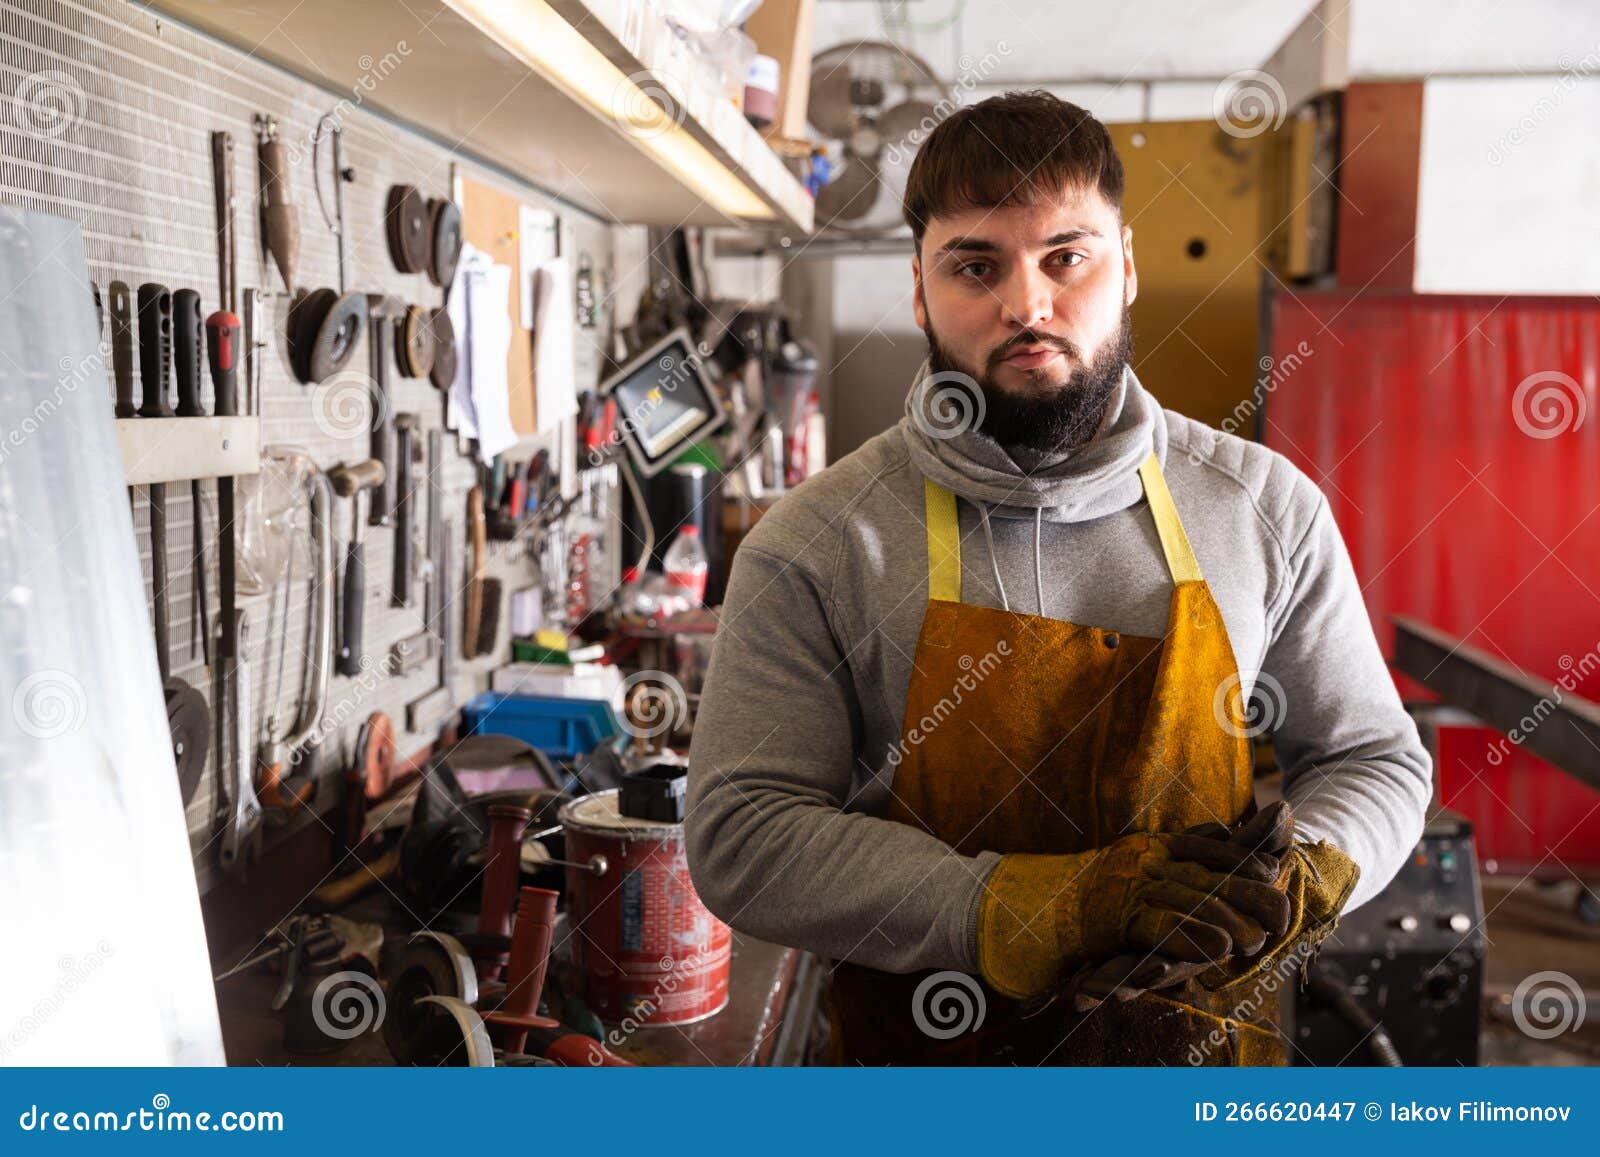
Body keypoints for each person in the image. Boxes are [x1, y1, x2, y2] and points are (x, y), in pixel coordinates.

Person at [685, 91, 1432, 1065]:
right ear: (919, 290)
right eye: (974, 265)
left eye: (1064, 257)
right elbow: (744, 834)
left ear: (1124, 268)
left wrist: (1308, 870)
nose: (1026, 304)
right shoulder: (819, 541)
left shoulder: (1262, 508)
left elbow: (1374, 756)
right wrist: (1030, 906)